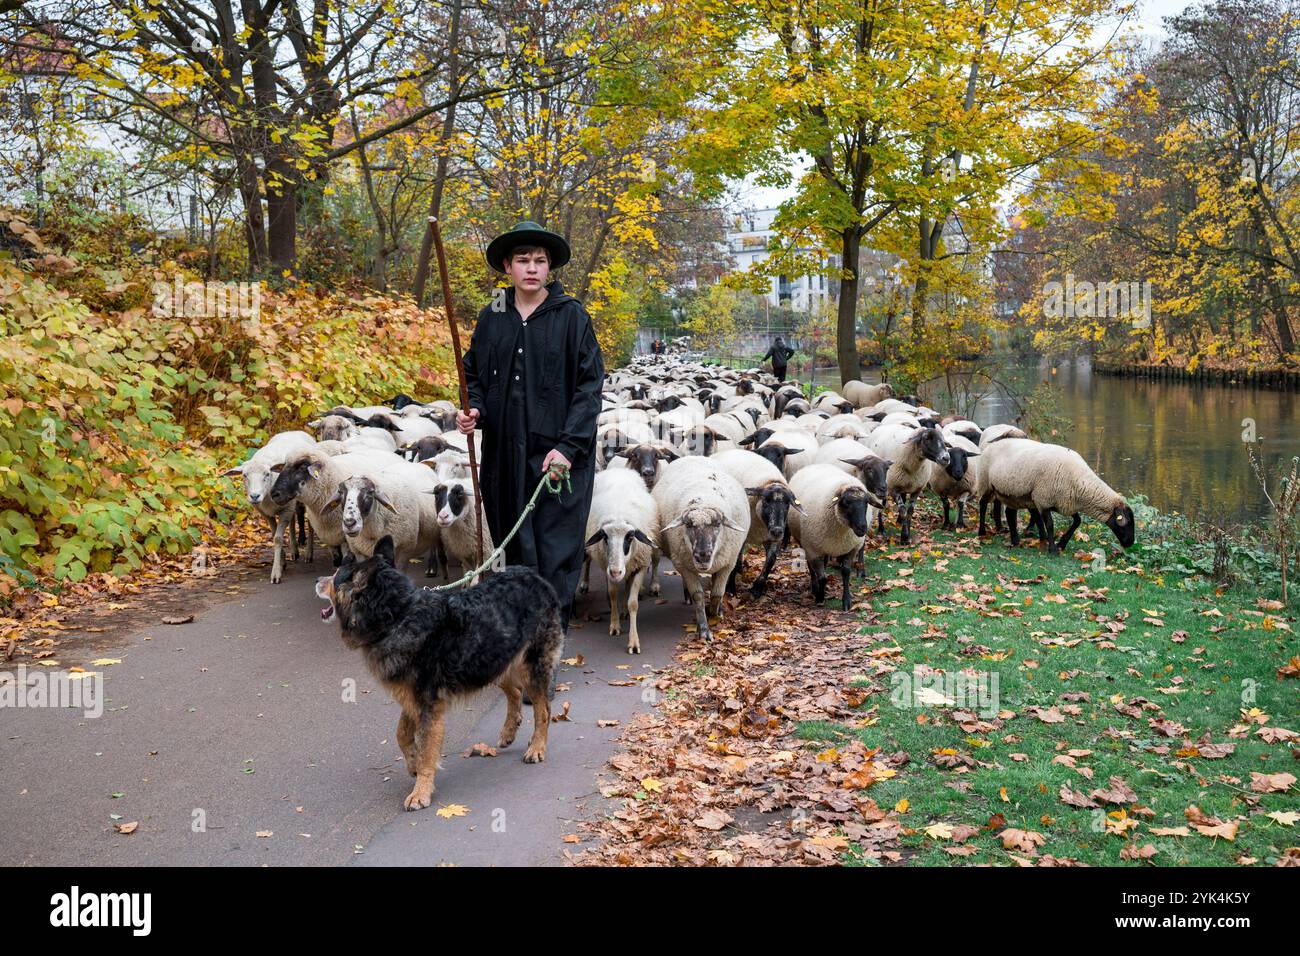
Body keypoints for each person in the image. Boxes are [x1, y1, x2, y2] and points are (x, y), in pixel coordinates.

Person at [457, 220, 605, 650]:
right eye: (523, 260)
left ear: (549, 268)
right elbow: (473, 374)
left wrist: (567, 447)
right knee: (512, 545)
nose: (532, 268)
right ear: (508, 266)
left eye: (540, 261)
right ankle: (515, 643)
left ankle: (546, 651)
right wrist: (475, 409)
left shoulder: (571, 316)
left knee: (553, 549)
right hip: (504, 454)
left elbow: (589, 386)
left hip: (556, 458)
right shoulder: (492, 316)